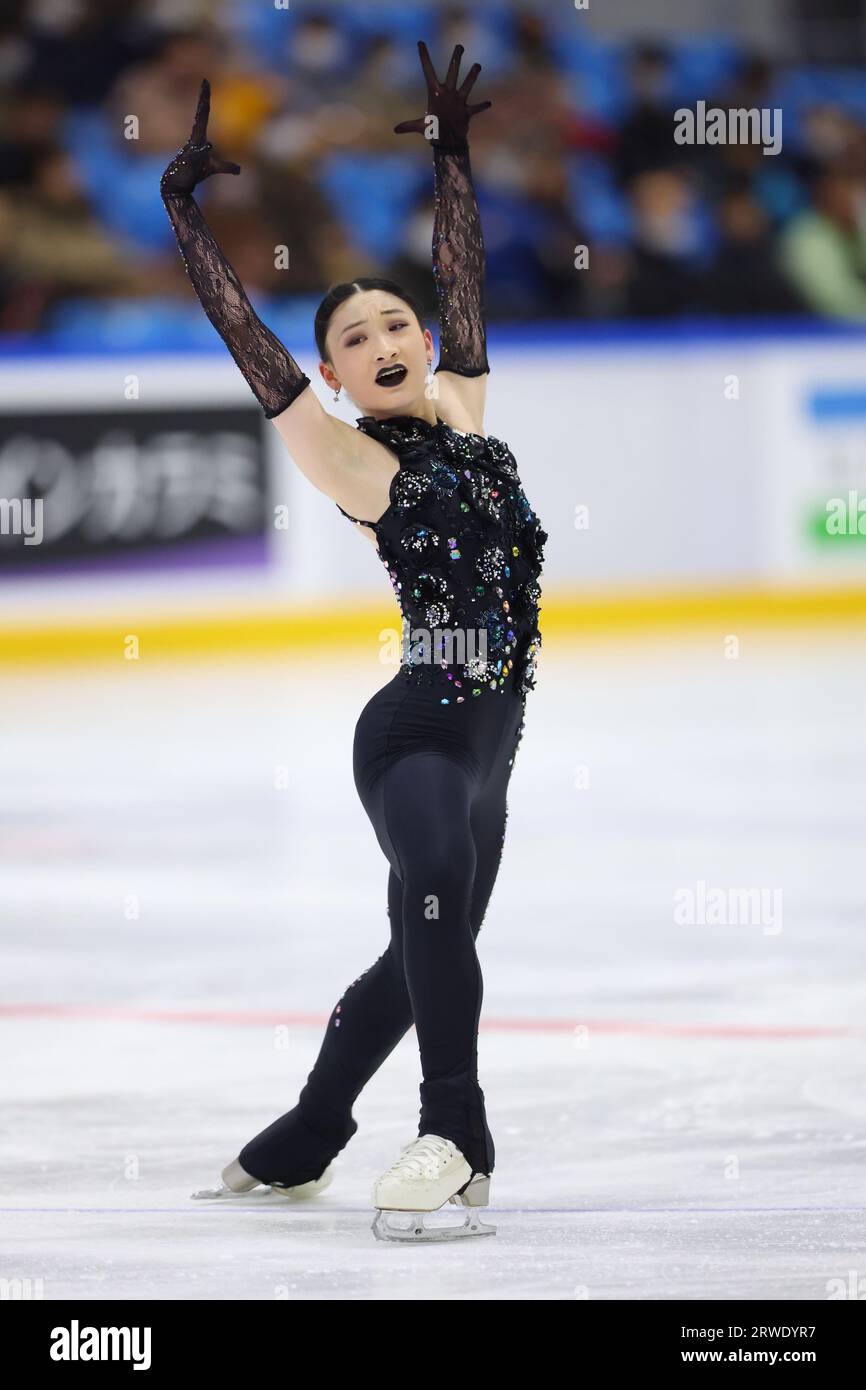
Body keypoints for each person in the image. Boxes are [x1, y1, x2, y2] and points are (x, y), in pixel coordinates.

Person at [161, 43, 547, 1241]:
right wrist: (185, 216)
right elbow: (250, 346)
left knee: (420, 944)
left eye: (396, 323)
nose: (384, 338)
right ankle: (453, 1131)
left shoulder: (467, 412)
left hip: (495, 741)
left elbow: (460, 273)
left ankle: (306, 1132)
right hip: (416, 729)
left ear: (420, 343)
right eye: (352, 339)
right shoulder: (352, 458)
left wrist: (450, 158)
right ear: (332, 377)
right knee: (430, 895)